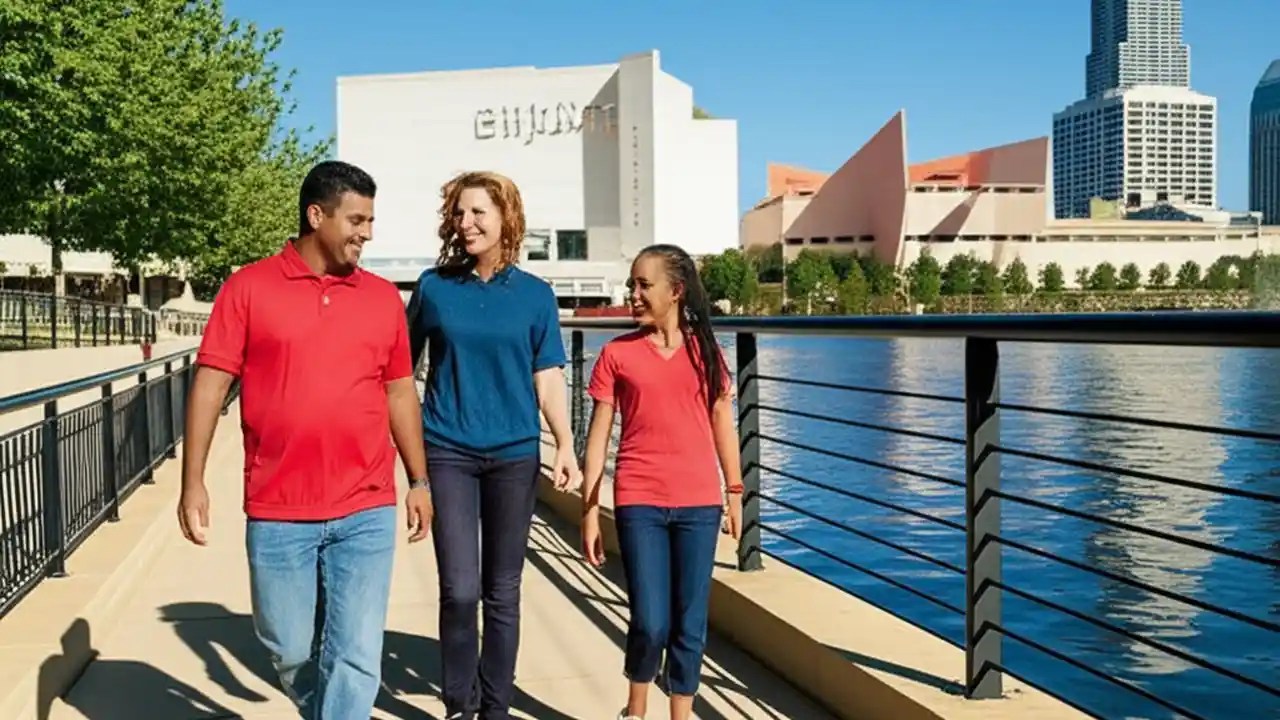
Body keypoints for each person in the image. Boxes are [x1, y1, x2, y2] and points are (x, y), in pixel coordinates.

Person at [178, 160, 434, 720]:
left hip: (366, 504)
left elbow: (399, 394)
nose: (367, 233)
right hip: (278, 507)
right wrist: (192, 480)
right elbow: (211, 384)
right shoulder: (248, 288)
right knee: (289, 647)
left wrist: (418, 479)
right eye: (357, 219)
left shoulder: (382, 298)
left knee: (357, 653)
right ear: (316, 215)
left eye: (371, 220)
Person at [405, 170, 581, 720]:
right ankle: (460, 704)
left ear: (507, 217)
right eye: (459, 213)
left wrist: (566, 445)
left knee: (502, 591)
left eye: (478, 211)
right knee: (459, 589)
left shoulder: (535, 296)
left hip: (513, 455)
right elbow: (398, 373)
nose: (466, 223)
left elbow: (548, 375)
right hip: (447, 449)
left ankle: (495, 709)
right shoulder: (434, 287)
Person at [580, 244, 745, 720]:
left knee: (689, 624)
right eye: (632, 284)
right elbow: (597, 438)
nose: (633, 294)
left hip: (699, 503)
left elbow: (722, 424)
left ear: (675, 291)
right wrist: (590, 510)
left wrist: (735, 493)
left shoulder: (706, 353)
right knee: (651, 622)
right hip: (639, 501)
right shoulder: (617, 354)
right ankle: (635, 710)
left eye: (642, 285)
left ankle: (680, 714)